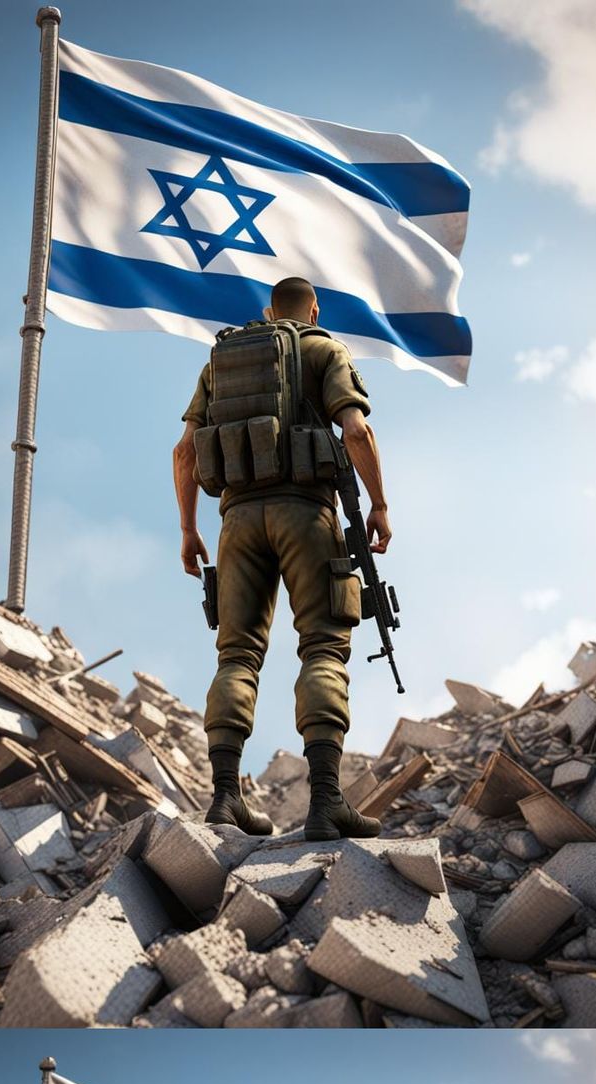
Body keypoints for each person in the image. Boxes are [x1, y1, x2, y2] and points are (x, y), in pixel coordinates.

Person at [172, 276, 393, 841]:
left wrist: (188, 530)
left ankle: (225, 799)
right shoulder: (325, 348)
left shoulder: (221, 361)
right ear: (314, 309)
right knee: (323, 644)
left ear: (269, 311)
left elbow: (184, 450)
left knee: (235, 656)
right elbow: (356, 432)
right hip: (305, 513)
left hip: (237, 523)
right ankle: (325, 801)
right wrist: (379, 506)